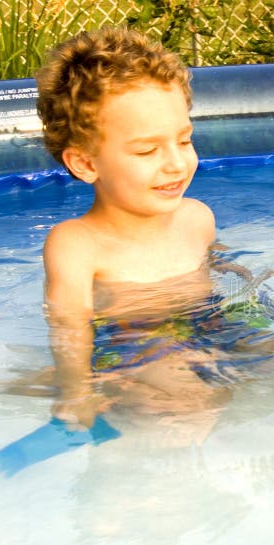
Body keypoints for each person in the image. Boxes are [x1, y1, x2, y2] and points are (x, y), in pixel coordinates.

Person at [36, 28, 221, 431]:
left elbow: (223, 282)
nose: (176, 163)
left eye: (185, 140)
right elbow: (70, 327)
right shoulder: (77, 246)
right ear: (85, 164)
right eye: (147, 150)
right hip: (131, 350)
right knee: (191, 405)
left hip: (206, 331)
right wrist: (76, 392)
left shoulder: (197, 219)